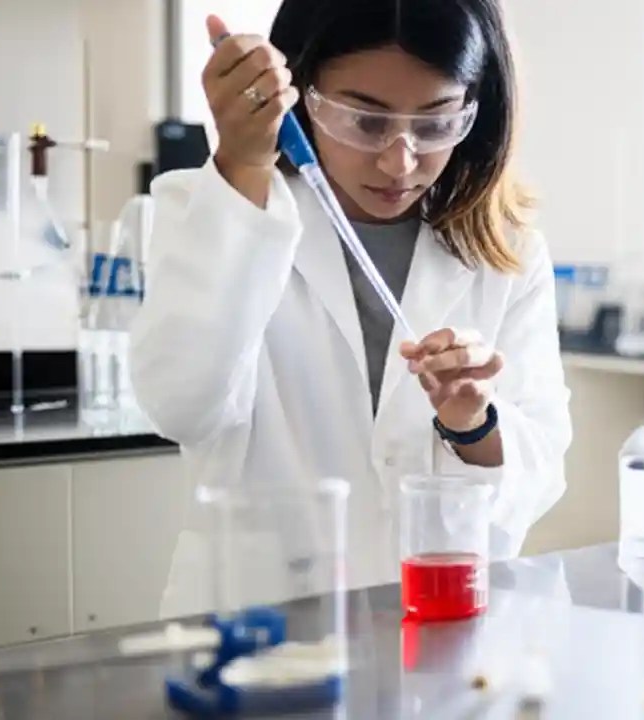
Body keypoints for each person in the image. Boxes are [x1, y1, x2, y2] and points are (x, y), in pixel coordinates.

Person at [131, 0, 571, 615]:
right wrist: (240, 167)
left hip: (441, 625)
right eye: (365, 121)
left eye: (436, 123)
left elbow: (541, 471)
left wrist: (474, 422)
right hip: (262, 629)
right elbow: (180, 405)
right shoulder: (210, 211)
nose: (399, 161)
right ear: (300, 96)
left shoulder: (507, 251)